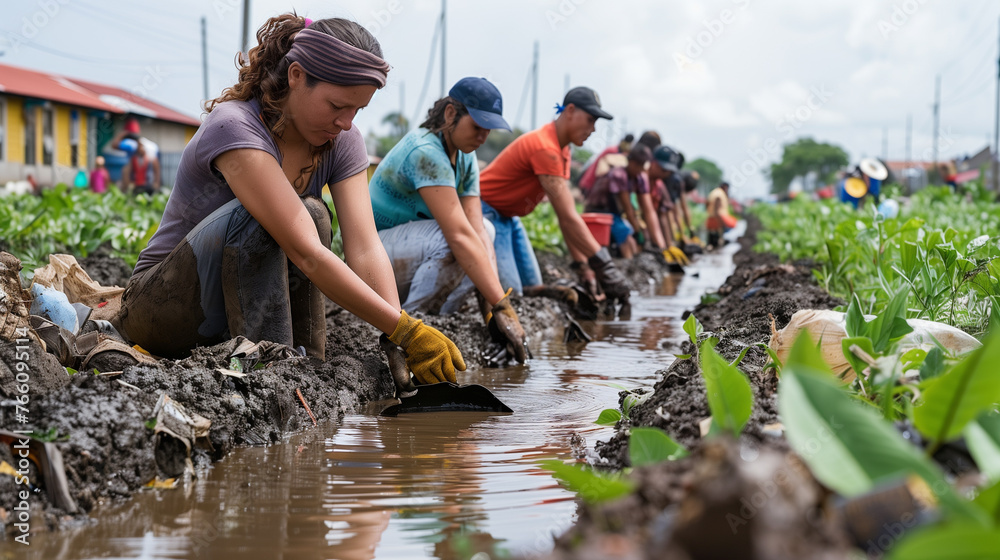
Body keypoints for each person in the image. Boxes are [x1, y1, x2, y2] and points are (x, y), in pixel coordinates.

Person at [116, 14, 464, 388]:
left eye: (357, 110)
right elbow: (307, 253)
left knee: (313, 212)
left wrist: (395, 333)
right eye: (336, 105)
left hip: (229, 320)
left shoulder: (343, 141)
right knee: (279, 219)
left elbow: (364, 247)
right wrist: (407, 330)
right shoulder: (235, 126)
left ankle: (302, 370)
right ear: (296, 75)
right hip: (163, 310)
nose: (346, 122)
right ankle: (275, 376)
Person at [369, 77, 527, 362]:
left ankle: (440, 321)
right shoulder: (425, 152)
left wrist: (494, 311)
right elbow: (459, 235)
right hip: (371, 259)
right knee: (453, 239)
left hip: (407, 258)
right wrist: (503, 305)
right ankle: (410, 327)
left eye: (488, 130)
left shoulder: (465, 157)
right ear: (451, 114)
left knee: (485, 233)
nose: (482, 137)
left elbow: (477, 230)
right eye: (477, 126)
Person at [478, 86, 631, 305]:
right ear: (570, 110)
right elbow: (568, 217)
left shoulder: (563, 150)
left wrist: (584, 266)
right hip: (485, 211)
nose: (593, 129)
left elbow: (566, 219)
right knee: (513, 294)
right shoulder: (545, 148)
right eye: (590, 120)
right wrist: (605, 267)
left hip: (509, 217)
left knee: (533, 285)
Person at [583, 144, 656, 259]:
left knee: (630, 238)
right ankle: (628, 262)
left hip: (613, 215)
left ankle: (634, 263)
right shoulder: (619, 175)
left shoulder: (635, 177)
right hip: (599, 212)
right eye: (638, 165)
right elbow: (628, 208)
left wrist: (638, 229)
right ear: (631, 162)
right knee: (625, 236)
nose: (641, 169)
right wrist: (637, 231)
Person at [644, 144, 689, 265]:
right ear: (652, 162)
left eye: (668, 172)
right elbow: (648, 213)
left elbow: (663, 215)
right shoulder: (641, 178)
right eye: (663, 170)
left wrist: (668, 245)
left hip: (651, 227)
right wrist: (661, 246)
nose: (665, 174)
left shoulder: (659, 186)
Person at [706, 181, 735, 249]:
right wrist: (721, 222)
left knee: (712, 237)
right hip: (717, 218)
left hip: (711, 217)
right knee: (732, 224)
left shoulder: (714, 192)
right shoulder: (719, 195)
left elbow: (707, 204)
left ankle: (712, 245)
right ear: (725, 187)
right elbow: (717, 210)